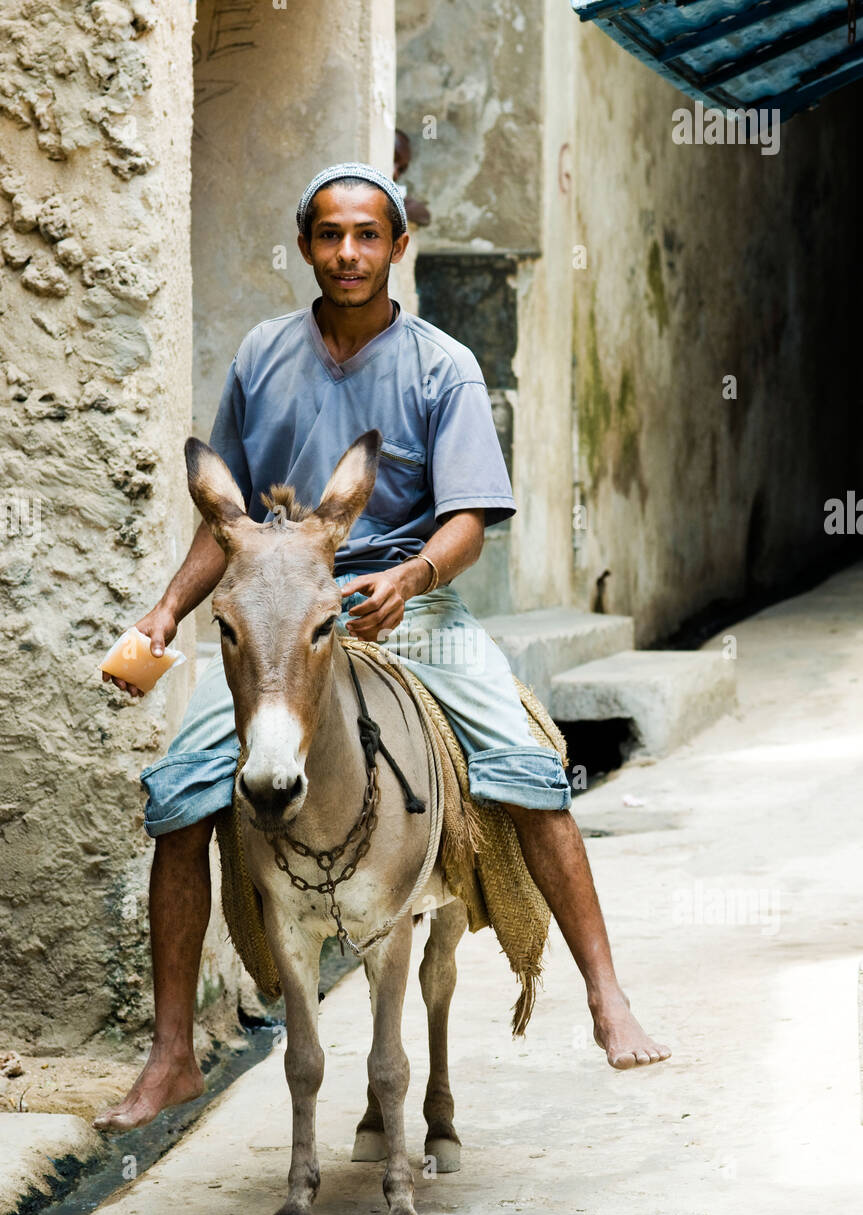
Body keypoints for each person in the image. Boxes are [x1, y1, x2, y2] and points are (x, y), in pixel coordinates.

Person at [95, 162, 669, 1133]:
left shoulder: (441, 364)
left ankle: (605, 992)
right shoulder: (261, 356)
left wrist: (410, 579)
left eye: (368, 235)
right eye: (329, 235)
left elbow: (467, 523)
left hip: (409, 610)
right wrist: (164, 611)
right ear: (307, 243)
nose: (348, 252)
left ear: (398, 245)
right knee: (178, 796)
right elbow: (224, 524)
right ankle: (172, 1054)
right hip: (279, 616)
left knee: (525, 765)